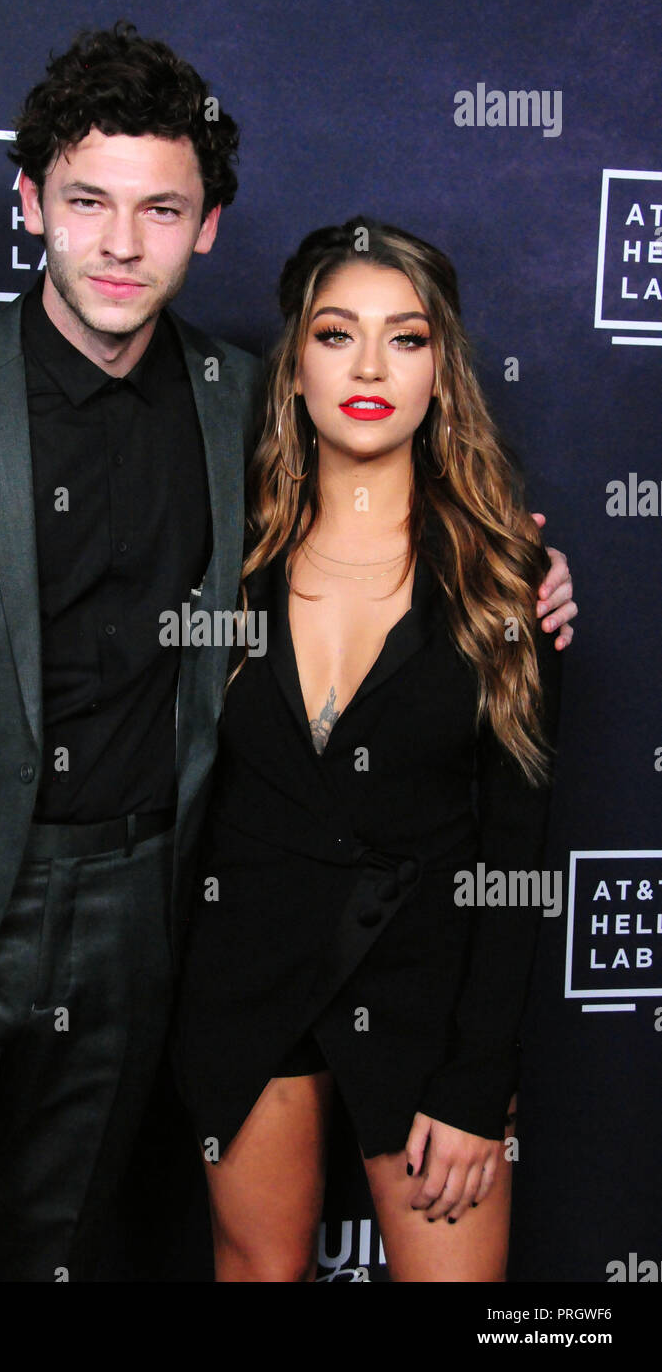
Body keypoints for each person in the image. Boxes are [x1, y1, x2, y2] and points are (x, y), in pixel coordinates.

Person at [0, 23, 574, 1282]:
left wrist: (516, 570)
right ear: (31, 202)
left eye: (162, 209)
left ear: (207, 231)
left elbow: (384, 464)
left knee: (60, 1255)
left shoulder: (243, 400)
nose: (121, 243)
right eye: (89, 201)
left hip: (141, 926)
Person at [171, 215, 565, 1282]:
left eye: (407, 338)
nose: (371, 368)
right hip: (247, 981)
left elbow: (518, 856)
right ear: (294, 362)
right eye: (339, 334)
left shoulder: (506, 581)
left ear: (442, 369)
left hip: (432, 1000)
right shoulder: (224, 555)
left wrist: (480, 1074)